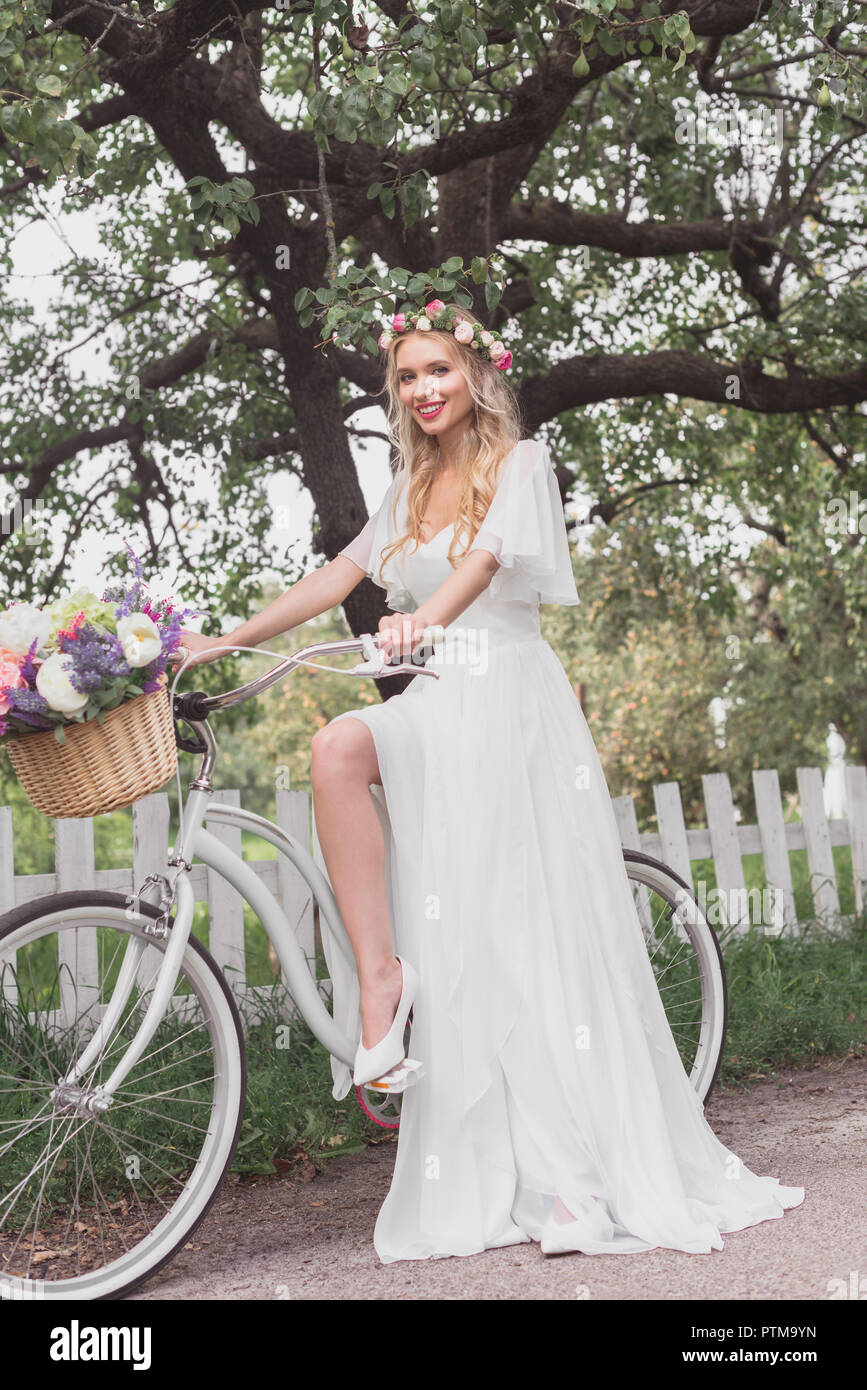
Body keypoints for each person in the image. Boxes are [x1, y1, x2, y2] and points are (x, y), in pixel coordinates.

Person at [176, 299, 804, 1263]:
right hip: (435, 698)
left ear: (475, 376)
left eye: (440, 370)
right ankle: (384, 983)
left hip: (502, 692)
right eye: (408, 378)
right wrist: (224, 638)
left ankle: (561, 1170)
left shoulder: (520, 463)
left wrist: (424, 620)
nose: (425, 390)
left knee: (512, 922)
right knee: (337, 750)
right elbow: (335, 580)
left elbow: (483, 563)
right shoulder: (402, 486)